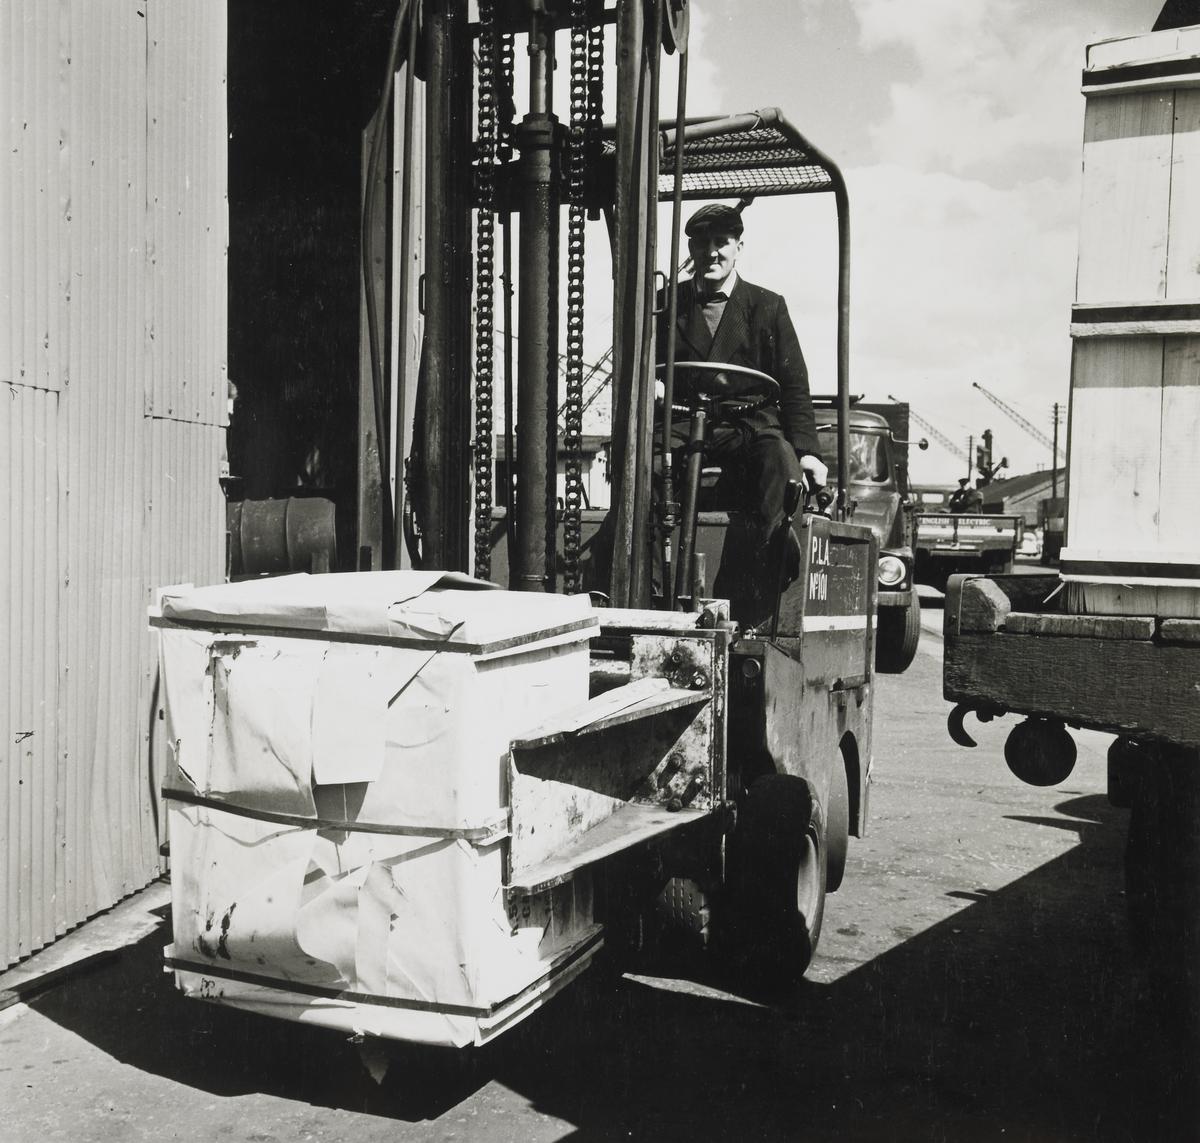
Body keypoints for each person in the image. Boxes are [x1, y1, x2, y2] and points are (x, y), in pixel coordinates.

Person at [658, 203, 827, 623]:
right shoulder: (666, 304)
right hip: (682, 421)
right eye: (702, 243)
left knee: (781, 463)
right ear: (691, 249)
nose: (712, 252)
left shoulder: (767, 306)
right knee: (641, 465)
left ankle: (759, 595)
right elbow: (641, 364)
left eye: (722, 243)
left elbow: (794, 385)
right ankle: (650, 591)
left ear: (738, 247)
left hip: (747, 423)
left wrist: (807, 451)